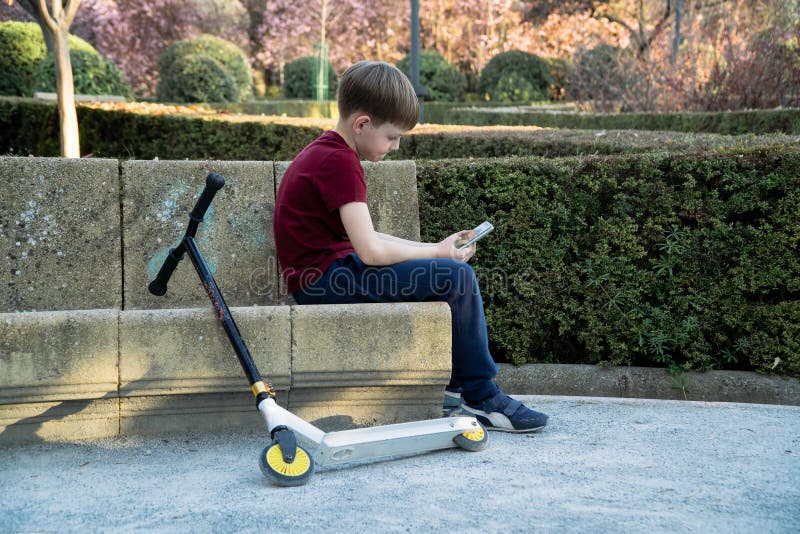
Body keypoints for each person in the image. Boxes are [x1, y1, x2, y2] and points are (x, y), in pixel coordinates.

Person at [273, 60, 548, 433]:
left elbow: (370, 240)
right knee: (458, 278)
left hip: (326, 275)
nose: (396, 145)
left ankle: (455, 389)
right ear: (362, 124)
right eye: (391, 136)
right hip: (323, 283)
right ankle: (481, 396)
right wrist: (438, 255)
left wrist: (436, 247)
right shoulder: (338, 161)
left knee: (447, 273)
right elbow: (370, 251)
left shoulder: (329, 153)